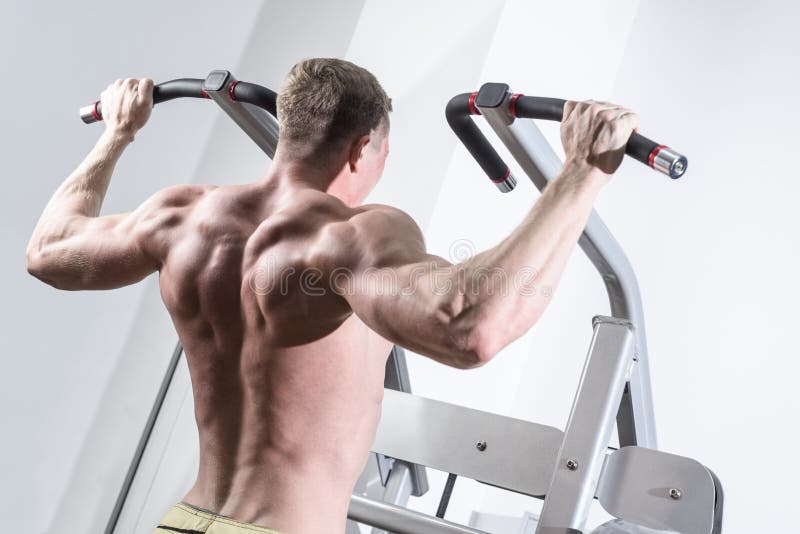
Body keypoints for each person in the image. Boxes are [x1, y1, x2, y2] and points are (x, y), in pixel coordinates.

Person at [26, 58, 639, 534]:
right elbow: (470, 327)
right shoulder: (353, 236)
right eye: (382, 154)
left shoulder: (182, 216)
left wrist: (117, 134)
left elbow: (49, 252)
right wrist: (582, 171)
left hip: (184, 520)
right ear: (358, 149)